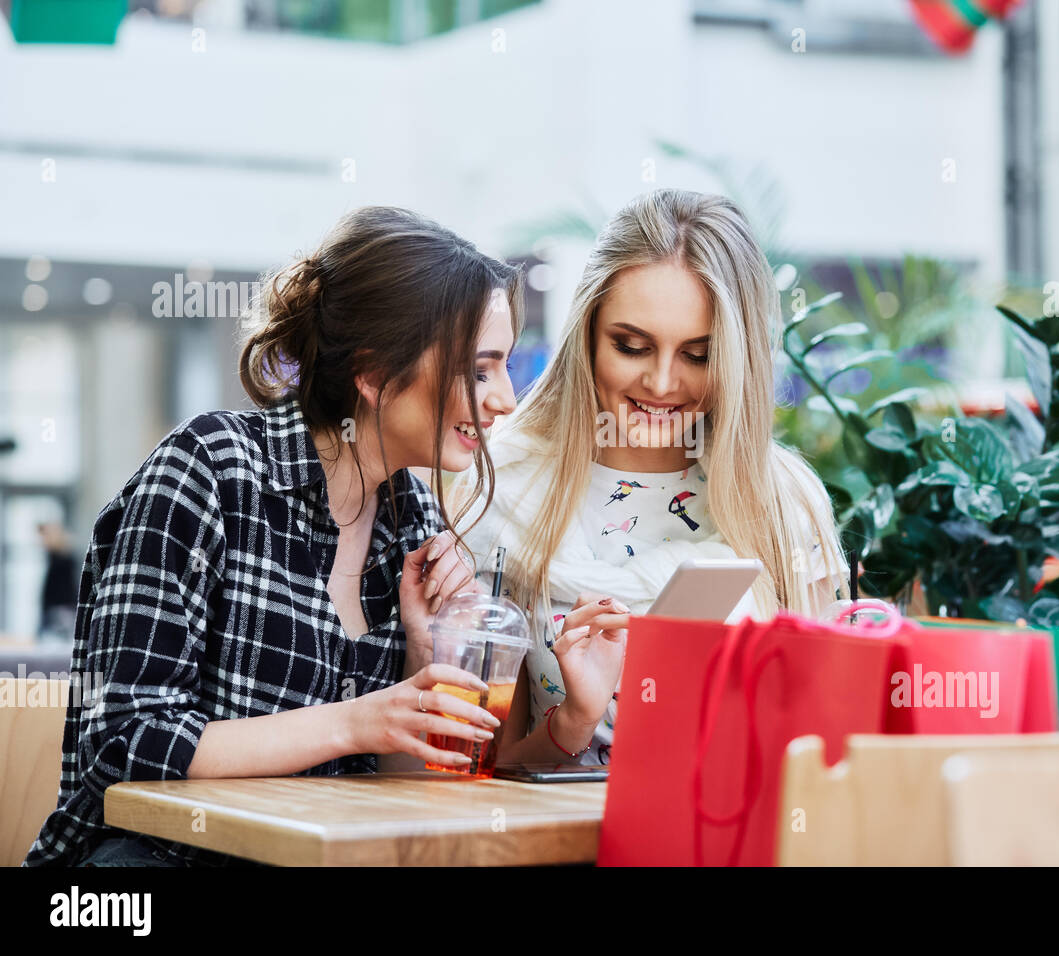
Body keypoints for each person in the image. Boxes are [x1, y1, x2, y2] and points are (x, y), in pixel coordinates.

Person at [24, 206, 520, 866]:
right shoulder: (209, 469)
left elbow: (404, 787)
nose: (506, 399)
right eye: (480, 370)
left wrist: (423, 652)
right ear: (372, 374)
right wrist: (356, 718)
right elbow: (124, 741)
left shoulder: (415, 525)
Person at [456, 188, 848, 768]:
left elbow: (831, 744)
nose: (662, 384)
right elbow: (480, 772)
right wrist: (574, 723)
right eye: (632, 346)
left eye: (698, 355)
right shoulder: (505, 491)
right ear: (587, 334)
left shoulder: (783, 502)